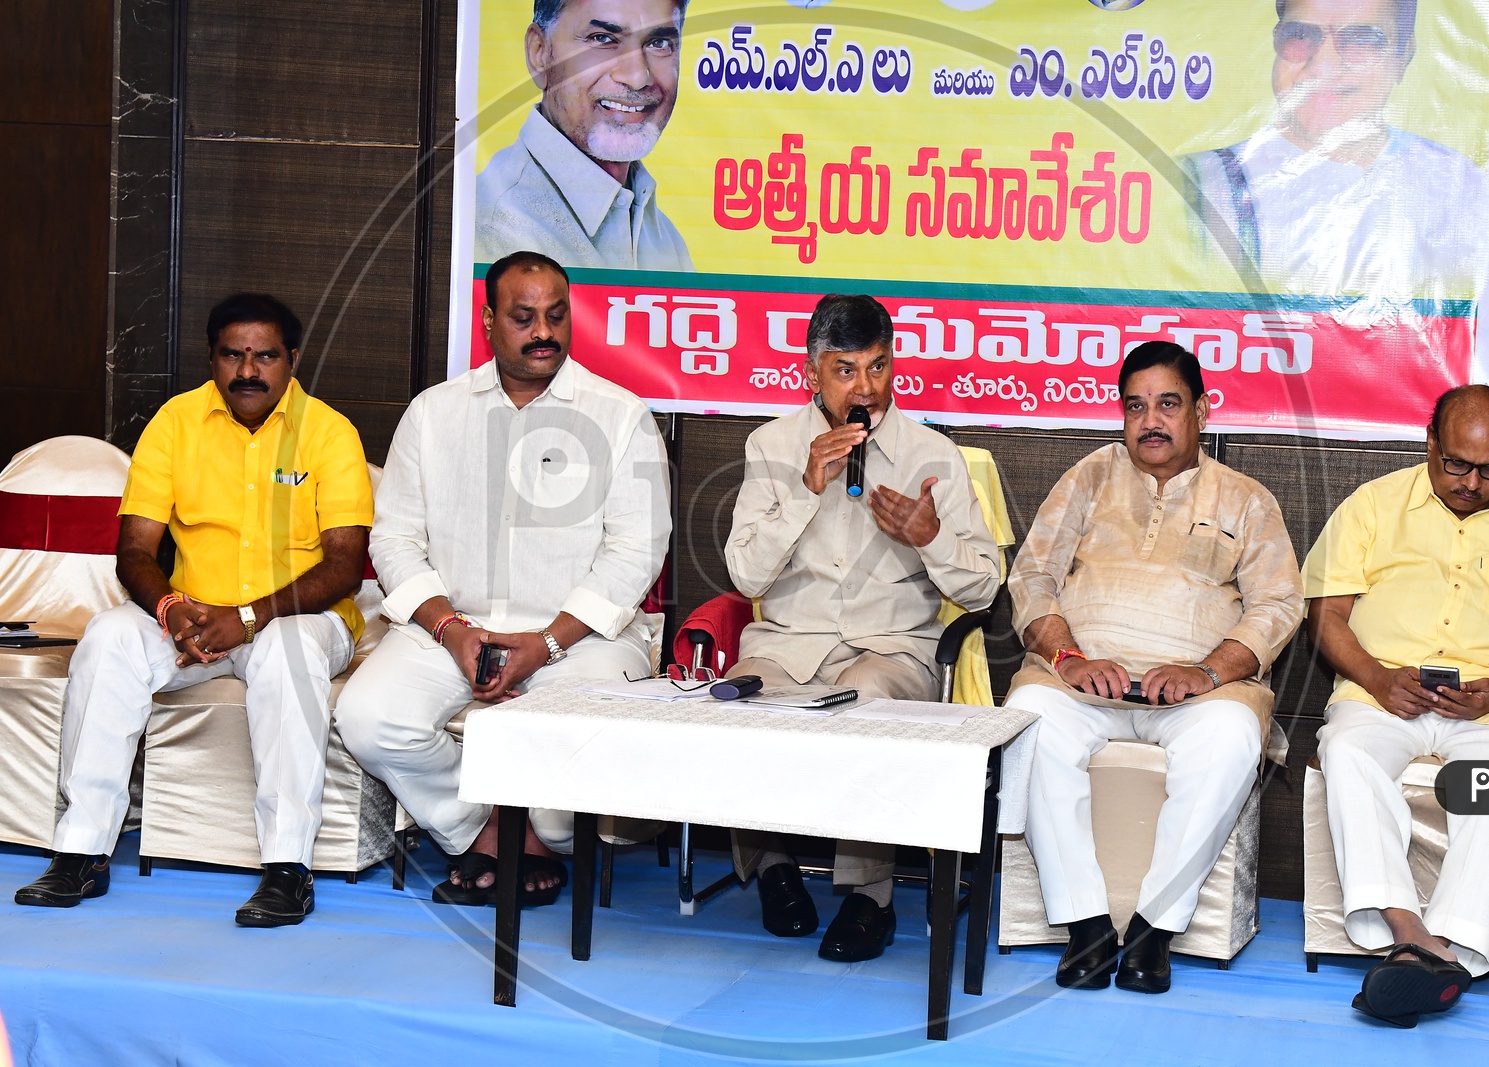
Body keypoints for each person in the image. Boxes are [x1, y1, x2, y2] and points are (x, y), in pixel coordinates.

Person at [14, 294, 373, 927]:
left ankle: (288, 869)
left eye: (265, 356)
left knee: (288, 652)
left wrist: (249, 617)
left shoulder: (328, 432)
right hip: (196, 621)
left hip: (298, 621)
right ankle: (81, 851)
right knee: (109, 637)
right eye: (233, 355)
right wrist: (171, 608)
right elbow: (134, 549)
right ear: (212, 358)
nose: (248, 371)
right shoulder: (175, 423)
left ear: (293, 360)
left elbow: (344, 566)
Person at [335, 251, 670, 907]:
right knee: (367, 716)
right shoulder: (435, 414)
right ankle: (483, 830)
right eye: (523, 317)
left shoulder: (620, 415)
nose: (543, 332)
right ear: (488, 321)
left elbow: (635, 553)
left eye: (555, 315)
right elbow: (395, 538)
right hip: (452, 627)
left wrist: (544, 643)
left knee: (562, 792)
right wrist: (452, 631)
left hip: (583, 635)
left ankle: (540, 833)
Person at [1004, 340, 1303, 994]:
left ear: (1201, 409)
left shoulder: (1245, 498)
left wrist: (1209, 669)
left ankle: (1152, 928)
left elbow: (1281, 602)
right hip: (1083, 680)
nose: (1151, 421)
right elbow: (1031, 577)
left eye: (1168, 404)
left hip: (1198, 693)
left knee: (1230, 736)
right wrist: (1069, 656)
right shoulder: (1088, 478)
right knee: (1026, 719)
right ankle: (1083, 920)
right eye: (1136, 406)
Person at [1303, 385, 1489, 1027]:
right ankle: (1414, 932)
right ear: (1430, 441)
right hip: (1383, 691)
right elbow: (1326, 617)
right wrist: (1378, 679)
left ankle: (1444, 946)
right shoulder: (1373, 506)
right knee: (1347, 748)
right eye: (1456, 463)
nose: (1470, 483)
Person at [721, 293, 1002, 963]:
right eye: (846, 370)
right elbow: (745, 578)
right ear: (812, 373)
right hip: (788, 643)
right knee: (734, 705)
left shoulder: (934, 454)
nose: (867, 389)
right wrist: (802, 490)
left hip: (891, 647)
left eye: (879, 367)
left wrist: (931, 537)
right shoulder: (771, 445)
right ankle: (773, 866)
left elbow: (985, 585)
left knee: (868, 706)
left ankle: (869, 895)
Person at [1183, 0, 1489, 300]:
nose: (1323, 66)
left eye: (1361, 40)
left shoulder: (1458, 189)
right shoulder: (1196, 185)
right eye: (1301, 36)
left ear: (1403, 56)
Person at [475, 0, 693, 270]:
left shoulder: (664, 238)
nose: (637, 77)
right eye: (602, 39)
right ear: (539, 53)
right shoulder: (493, 232)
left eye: (659, 43)